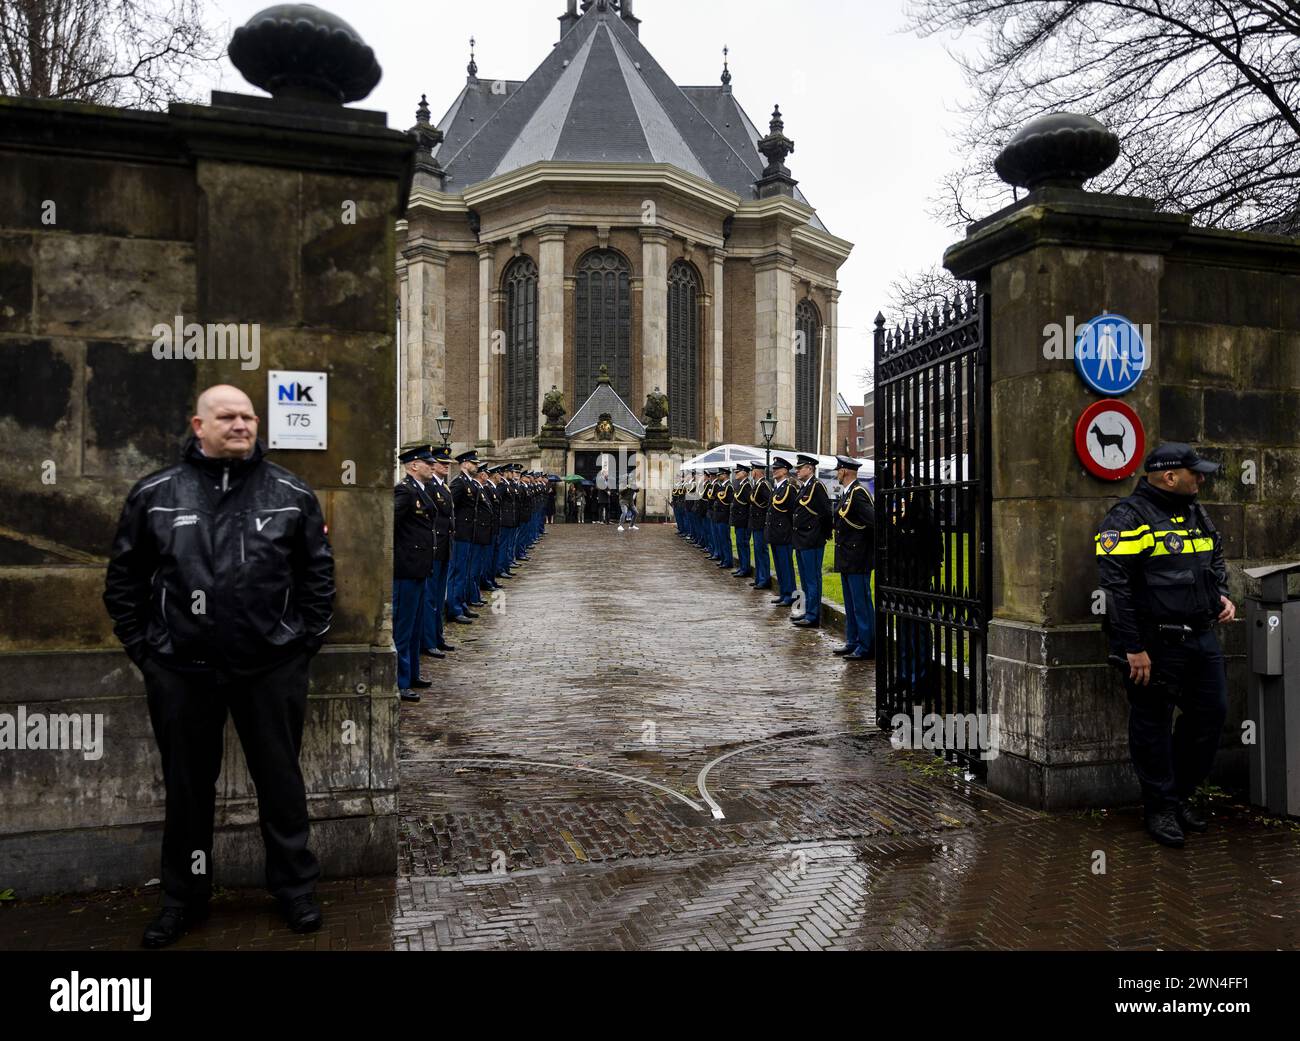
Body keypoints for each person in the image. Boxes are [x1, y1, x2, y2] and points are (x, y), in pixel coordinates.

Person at [103, 384, 333, 948]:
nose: (240, 424)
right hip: (182, 670)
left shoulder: (290, 492)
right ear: (198, 425)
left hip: (270, 666)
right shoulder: (156, 493)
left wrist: (300, 643)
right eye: (226, 416)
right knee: (188, 788)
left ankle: (294, 890)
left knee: (280, 782)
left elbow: (318, 576)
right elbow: (124, 582)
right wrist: (147, 652)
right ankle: (185, 896)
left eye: (248, 415)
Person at [1095, 442, 1234, 848]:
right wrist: (1133, 647)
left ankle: (1180, 794)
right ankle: (1160, 807)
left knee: (1211, 715)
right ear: (1170, 476)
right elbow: (1116, 590)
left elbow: (1215, 557)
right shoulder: (1126, 517)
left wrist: (1221, 594)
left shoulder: (1196, 512)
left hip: (1201, 637)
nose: (1202, 478)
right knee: (1152, 724)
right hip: (1153, 645)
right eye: (1196, 472)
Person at [883, 445, 942, 697]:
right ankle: (905, 674)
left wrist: (931, 564)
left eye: (897, 463)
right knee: (903, 624)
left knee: (917, 625)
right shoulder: (892, 491)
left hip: (915, 568)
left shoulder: (916, 491)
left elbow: (930, 529)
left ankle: (921, 677)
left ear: (906, 463)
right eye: (892, 463)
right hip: (897, 567)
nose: (893, 468)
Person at [393, 445, 437, 700]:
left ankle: (412, 674)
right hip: (407, 569)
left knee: (415, 624)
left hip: (420, 568)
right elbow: (391, 524)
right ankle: (400, 681)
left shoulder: (421, 490)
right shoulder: (404, 491)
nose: (432, 466)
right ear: (413, 466)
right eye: (426, 462)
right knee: (403, 627)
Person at [831, 457, 875, 660]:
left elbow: (873, 522)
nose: (836, 473)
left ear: (846, 471)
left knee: (861, 603)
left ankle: (866, 645)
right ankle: (853, 640)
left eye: (838, 470)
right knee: (850, 603)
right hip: (847, 556)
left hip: (858, 557)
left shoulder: (858, 494)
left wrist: (864, 549)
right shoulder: (848, 493)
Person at [420, 446, 456, 661]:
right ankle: (429, 640)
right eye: (441, 463)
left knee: (438, 596)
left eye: (446, 464)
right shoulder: (430, 487)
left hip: (444, 548)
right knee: (431, 598)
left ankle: (437, 635)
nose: (445, 466)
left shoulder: (444, 487)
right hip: (434, 549)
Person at [791, 454, 833, 628]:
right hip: (801, 539)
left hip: (812, 539)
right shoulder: (804, 487)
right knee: (805, 578)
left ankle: (813, 615)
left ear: (810, 468)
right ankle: (807, 611)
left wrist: (821, 535)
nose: (797, 471)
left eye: (800, 468)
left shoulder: (817, 486)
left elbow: (826, 513)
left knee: (812, 579)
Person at [446, 450, 480, 624]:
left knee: (464, 571)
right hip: (460, 534)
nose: (476, 466)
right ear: (465, 464)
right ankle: (454, 607)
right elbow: (450, 509)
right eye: (474, 463)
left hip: (468, 533)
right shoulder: (459, 483)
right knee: (457, 572)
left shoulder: (470, 483)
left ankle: (461, 603)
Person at [765, 457, 798, 606]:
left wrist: (790, 532)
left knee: (786, 565)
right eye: (773, 468)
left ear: (785, 471)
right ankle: (783, 592)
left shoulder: (789, 488)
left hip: (784, 533)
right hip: (775, 533)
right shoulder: (776, 487)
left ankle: (790, 594)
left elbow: (792, 512)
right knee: (779, 565)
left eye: (777, 469)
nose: (774, 471)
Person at [748, 462, 772, 591]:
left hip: (761, 523)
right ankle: (759, 578)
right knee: (757, 551)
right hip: (756, 523)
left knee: (762, 551)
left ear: (756, 472)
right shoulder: (757, 484)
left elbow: (770, 502)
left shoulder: (764, 485)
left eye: (752, 470)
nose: (752, 473)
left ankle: (764, 579)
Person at [730, 462, 753, 578]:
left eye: (738, 472)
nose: (736, 474)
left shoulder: (746, 486)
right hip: (739, 520)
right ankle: (742, 567)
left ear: (744, 473)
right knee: (739, 544)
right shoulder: (741, 485)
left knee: (743, 544)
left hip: (743, 520)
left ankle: (745, 568)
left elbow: (749, 504)